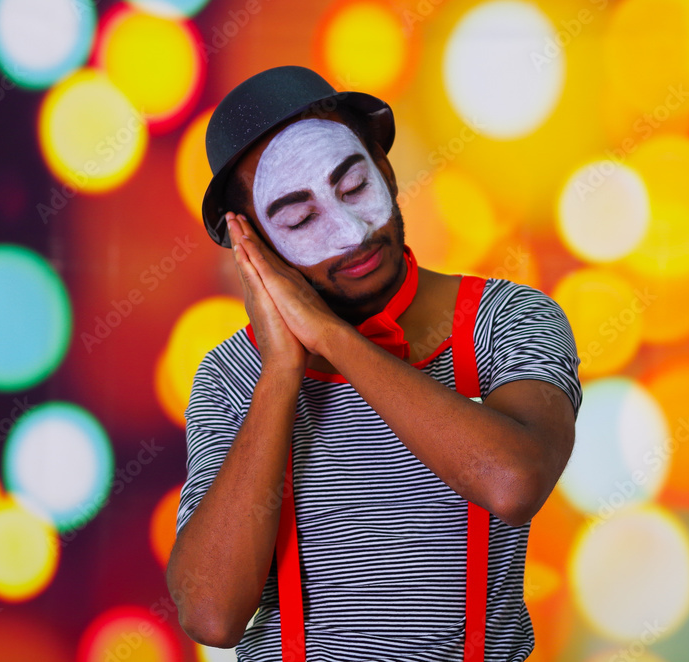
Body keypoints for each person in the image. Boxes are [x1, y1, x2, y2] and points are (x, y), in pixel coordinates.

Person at [166, 65, 583, 662]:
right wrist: (281, 373)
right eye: (300, 217)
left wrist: (333, 339)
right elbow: (211, 613)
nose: (352, 232)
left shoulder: (504, 318)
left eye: (355, 185)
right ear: (254, 245)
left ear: (386, 171)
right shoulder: (232, 373)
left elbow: (512, 481)